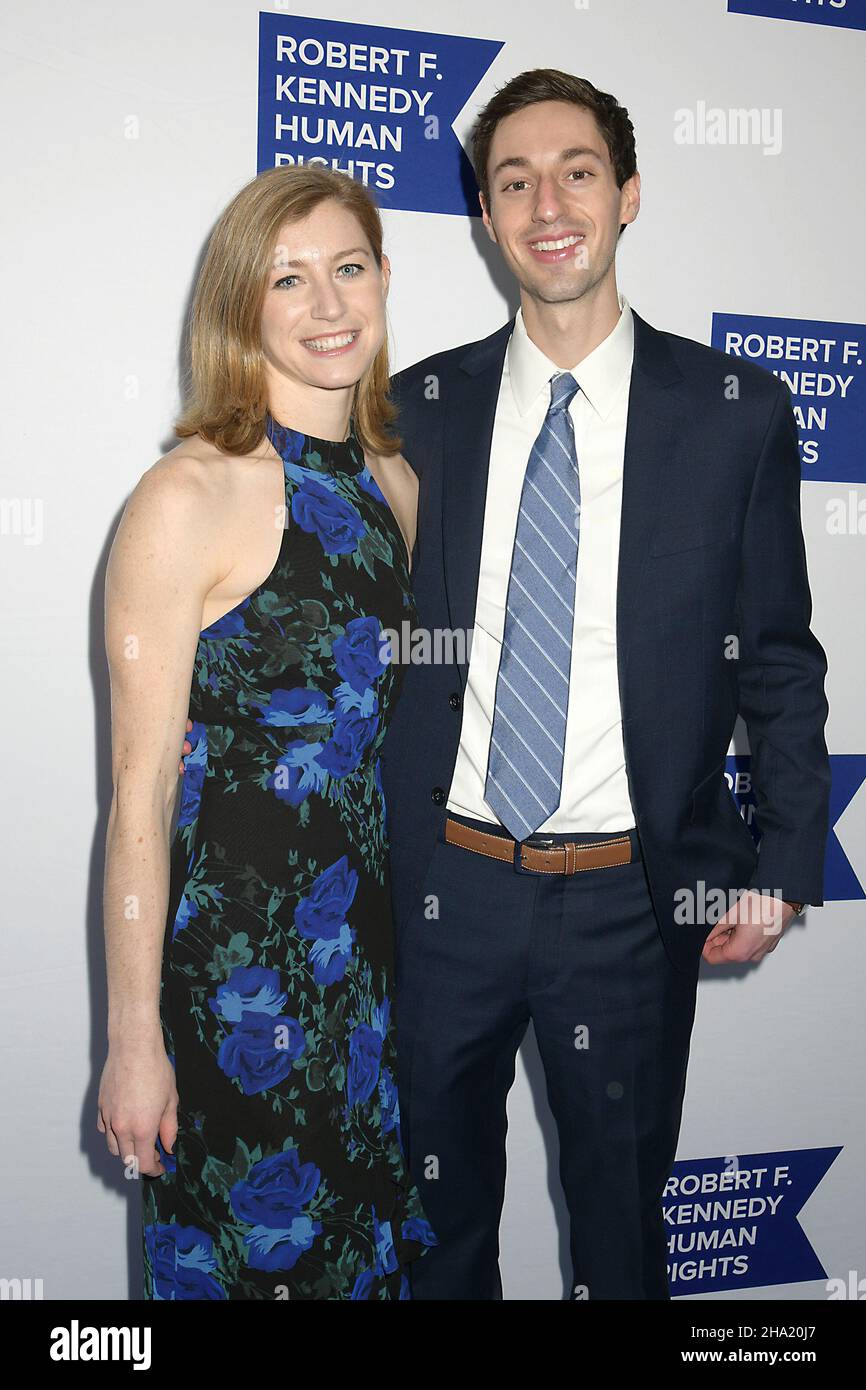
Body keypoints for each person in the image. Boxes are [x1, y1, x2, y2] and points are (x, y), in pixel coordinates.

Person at [379, 69, 831, 1299]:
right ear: (482, 216)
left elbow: (776, 655)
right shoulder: (412, 411)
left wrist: (787, 860)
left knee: (623, 1243)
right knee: (435, 1241)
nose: (545, 203)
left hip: (631, 905)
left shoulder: (732, 412)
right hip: (444, 892)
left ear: (626, 193)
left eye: (575, 170)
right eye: (510, 180)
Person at [98, 164, 436, 1300]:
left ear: (384, 278)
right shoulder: (185, 496)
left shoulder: (393, 483)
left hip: (366, 967)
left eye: (347, 269)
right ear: (242, 305)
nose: (328, 305)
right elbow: (140, 791)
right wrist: (134, 1035)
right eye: (288, 280)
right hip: (232, 978)